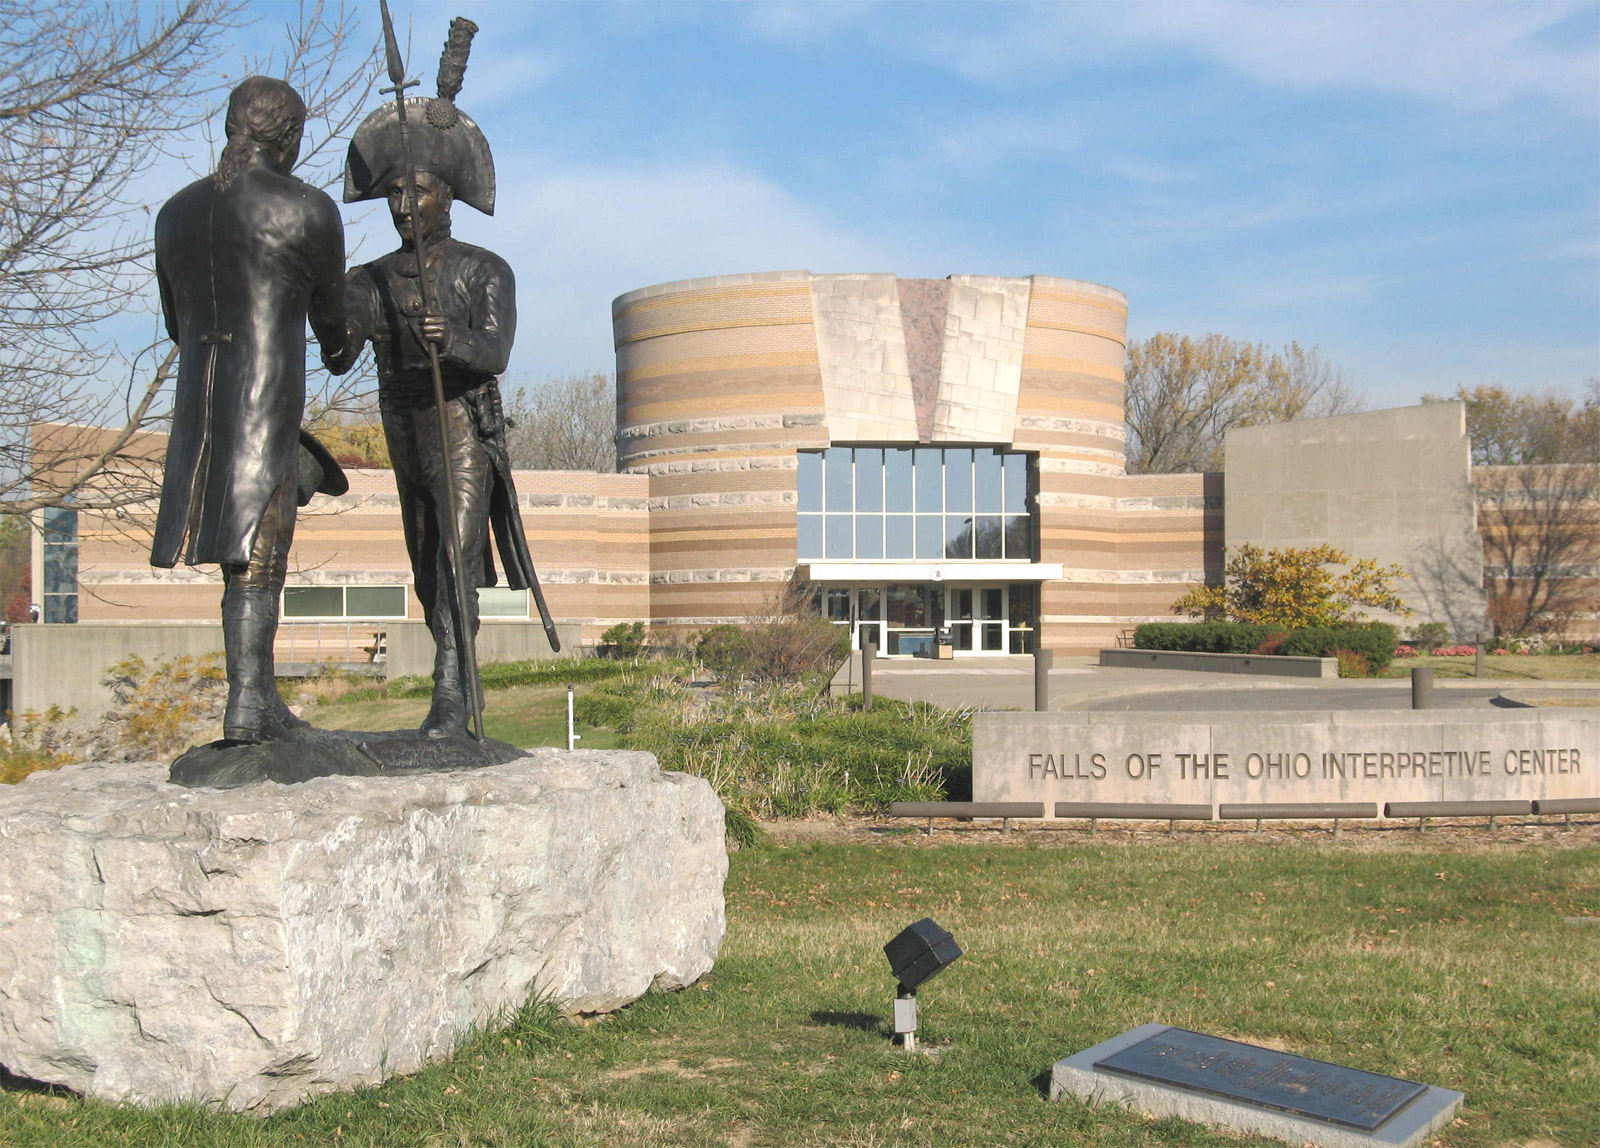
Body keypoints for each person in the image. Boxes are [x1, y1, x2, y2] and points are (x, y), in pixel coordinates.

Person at [328, 87, 533, 738]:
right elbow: (340, 353)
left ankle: (451, 693)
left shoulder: (484, 269)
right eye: (392, 194)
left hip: (461, 422)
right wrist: (321, 297)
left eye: (414, 192)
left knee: (454, 556)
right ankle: (462, 685)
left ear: (446, 195)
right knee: (425, 565)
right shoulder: (371, 278)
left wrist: (456, 342)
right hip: (403, 422)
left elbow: (495, 351)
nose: (401, 207)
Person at [151, 77, 349, 743]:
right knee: (259, 561)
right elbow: (337, 338)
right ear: (289, 138)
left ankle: (254, 696)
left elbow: (178, 323)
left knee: (243, 560)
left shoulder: (175, 214)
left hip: (200, 403)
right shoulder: (307, 210)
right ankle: (248, 705)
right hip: (263, 396)